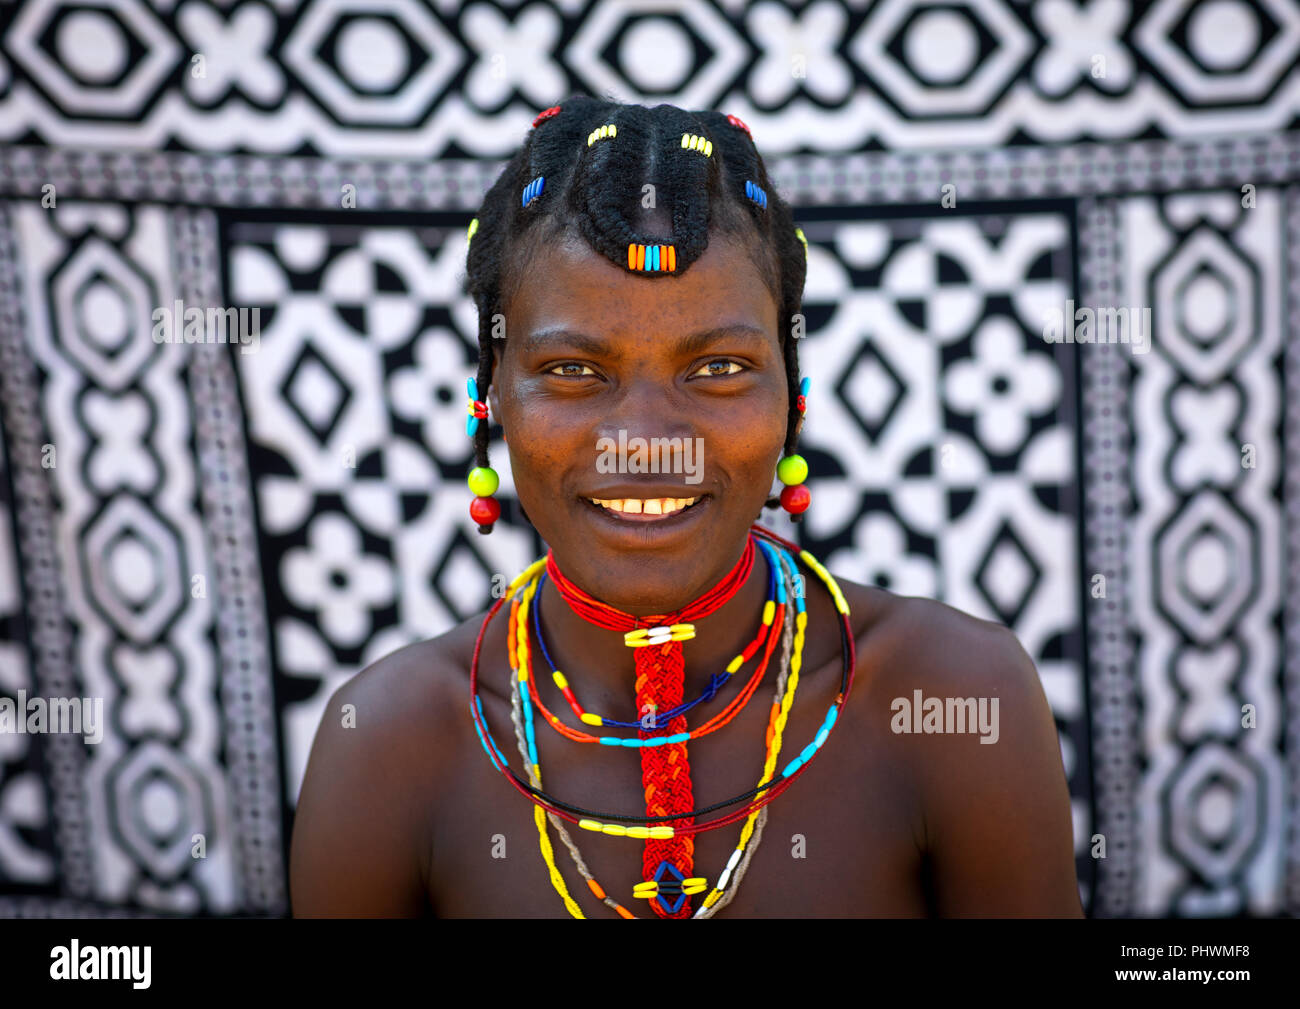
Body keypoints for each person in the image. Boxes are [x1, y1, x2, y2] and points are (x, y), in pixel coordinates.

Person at [289, 96, 1083, 918]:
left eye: (716, 368)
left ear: (792, 392)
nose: (644, 442)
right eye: (573, 370)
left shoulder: (958, 704)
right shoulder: (385, 745)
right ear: (490, 393)